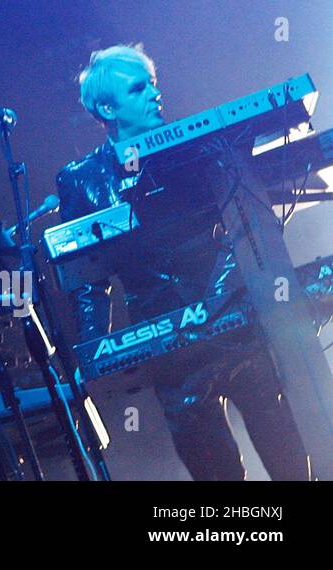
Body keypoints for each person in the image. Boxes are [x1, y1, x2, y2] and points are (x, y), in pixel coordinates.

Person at [56, 44, 308, 480]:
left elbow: (242, 224)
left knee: (288, 459)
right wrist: (97, 355)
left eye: (154, 83)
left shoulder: (198, 144)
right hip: (171, 351)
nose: (155, 94)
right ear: (105, 107)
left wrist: (215, 305)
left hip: (236, 322)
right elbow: (87, 276)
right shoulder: (80, 179)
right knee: (215, 475)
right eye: (139, 88)